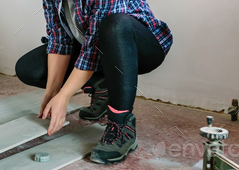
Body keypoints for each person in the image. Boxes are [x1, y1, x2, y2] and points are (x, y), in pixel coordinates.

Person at [15, 0, 173, 164]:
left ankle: (122, 126)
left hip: (139, 46)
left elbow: (92, 50)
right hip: (97, 49)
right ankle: (104, 87)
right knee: (29, 68)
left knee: (114, 25)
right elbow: (59, 40)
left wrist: (64, 96)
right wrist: (52, 93)